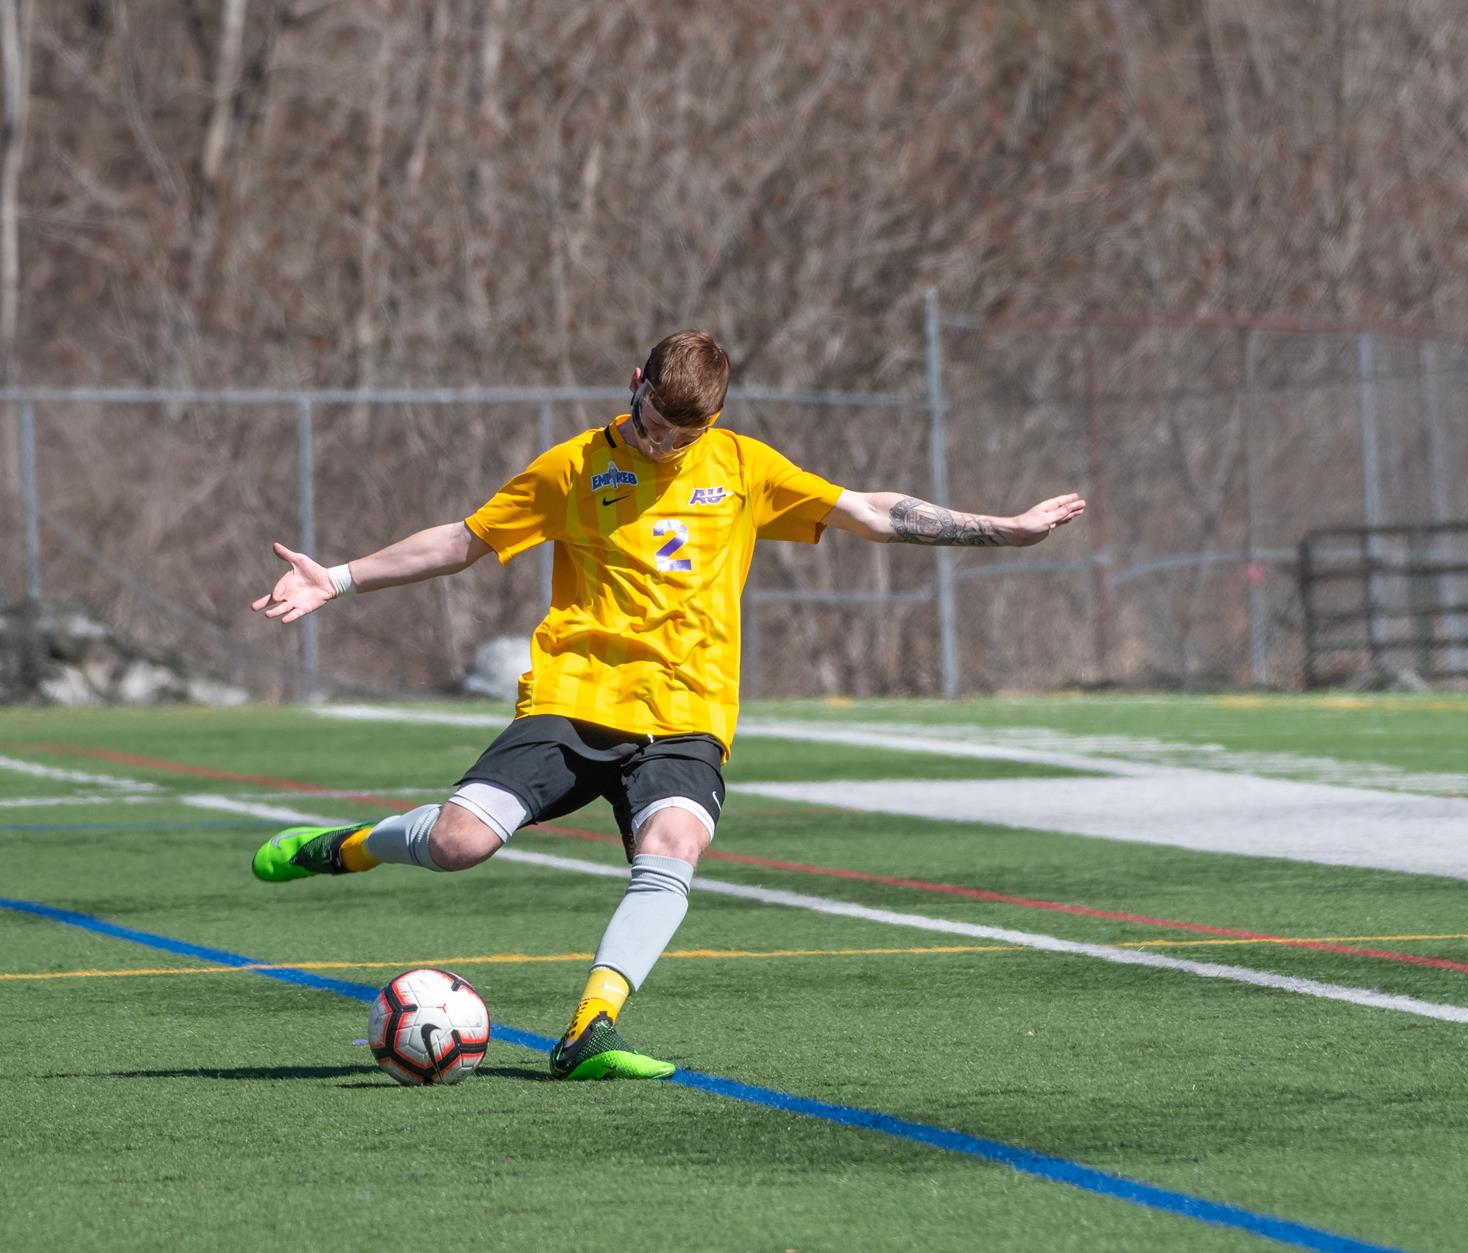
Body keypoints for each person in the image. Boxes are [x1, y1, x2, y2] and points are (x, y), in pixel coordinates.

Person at [249, 330, 1086, 1080]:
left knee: (674, 843)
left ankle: (590, 1027)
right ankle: (349, 846)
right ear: (634, 382)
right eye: (654, 420)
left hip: (688, 715)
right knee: (459, 841)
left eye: (685, 433)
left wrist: (1002, 529)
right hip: (578, 698)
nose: (664, 441)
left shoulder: (743, 466)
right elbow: (465, 540)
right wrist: (343, 576)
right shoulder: (573, 467)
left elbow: (871, 510)